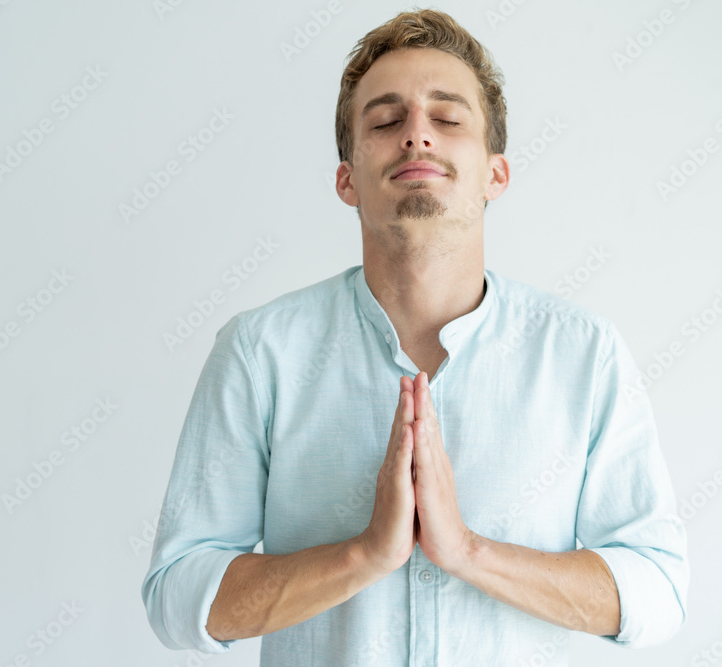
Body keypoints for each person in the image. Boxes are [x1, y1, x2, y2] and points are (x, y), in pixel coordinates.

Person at [141, 9, 688, 666]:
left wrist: (468, 551)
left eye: (448, 118)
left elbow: (657, 590)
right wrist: (363, 554)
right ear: (347, 178)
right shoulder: (260, 353)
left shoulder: (584, 355)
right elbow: (177, 596)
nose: (417, 136)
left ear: (496, 173)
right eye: (385, 120)